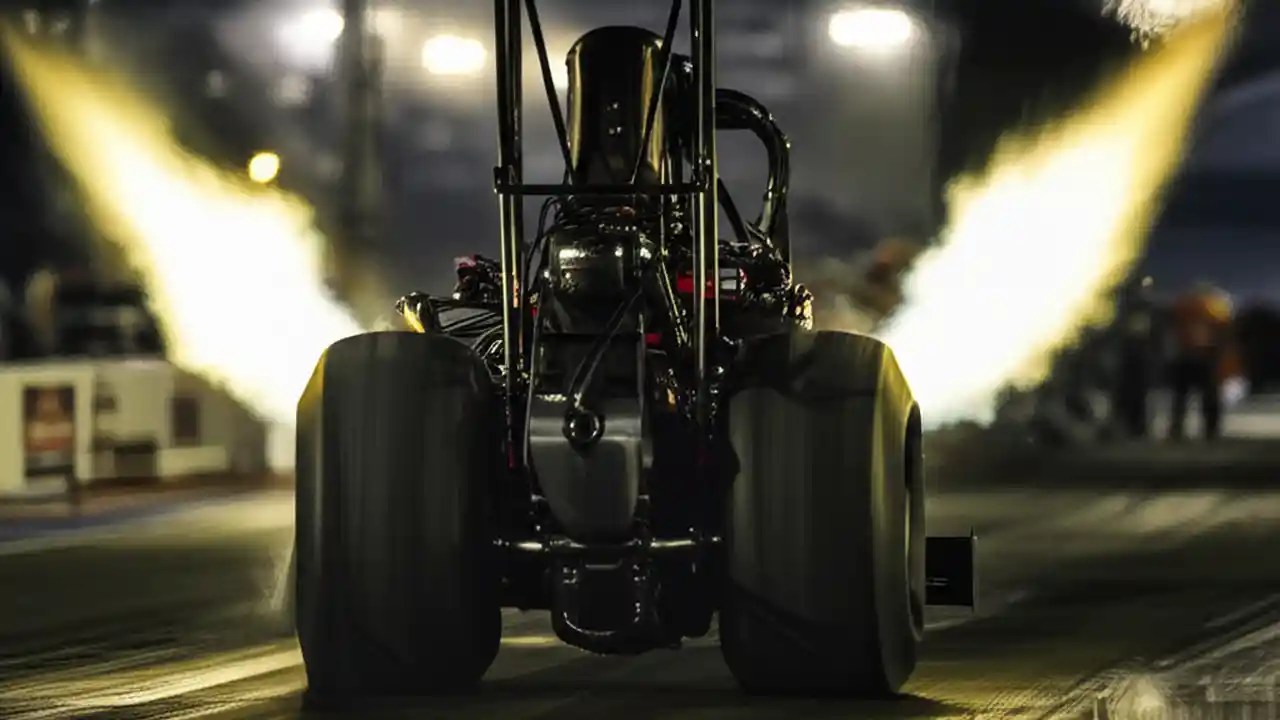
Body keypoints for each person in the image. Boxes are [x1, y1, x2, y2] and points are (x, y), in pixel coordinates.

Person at [1168, 281, 1233, 441]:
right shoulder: (1215, 307)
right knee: (1201, 396)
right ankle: (1208, 430)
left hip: (1194, 356)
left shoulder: (1186, 307)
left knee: (1185, 397)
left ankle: (1183, 429)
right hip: (1199, 357)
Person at [1111, 277, 1158, 438]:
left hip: (1140, 357)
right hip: (1129, 356)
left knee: (1139, 394)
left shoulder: (1147, 308)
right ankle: (1129, 427)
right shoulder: (1128, 307)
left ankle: (1137, 428)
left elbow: (1154, 334)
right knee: (1127, 393)